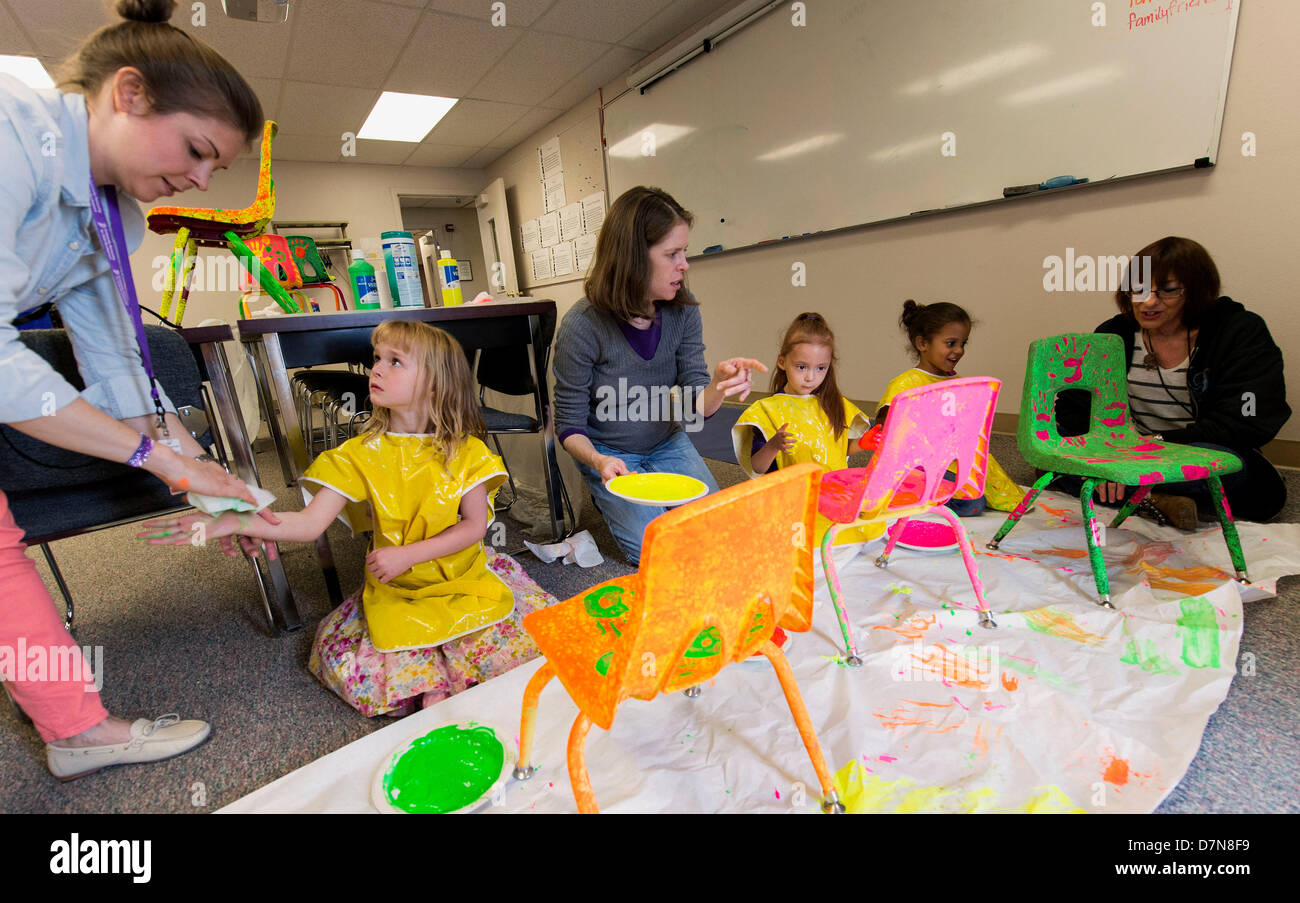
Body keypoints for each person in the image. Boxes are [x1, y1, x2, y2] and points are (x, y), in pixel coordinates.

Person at [0, 0, 273, 780]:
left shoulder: (109, 212)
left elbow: (121, 367)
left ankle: (75, 728)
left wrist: (209, 482)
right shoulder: (12, 131)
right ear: (129, 93)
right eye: (195, 149)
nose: (197, 177)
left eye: (213, 169)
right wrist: (162, 460)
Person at [145, 322, 553, 716]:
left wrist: (409, 553)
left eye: (395, 361)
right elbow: (308, 525)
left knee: (512, 640)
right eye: (377, 358)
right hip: (400, 588)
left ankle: (449, 684)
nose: (375, 368)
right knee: (360, 659)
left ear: (434, 382)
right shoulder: (357, 454)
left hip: (461, 579)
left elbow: (474, 527)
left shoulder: (466, 452)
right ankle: (437, 688)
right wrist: (235, 520)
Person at [551, 186, 766, 565]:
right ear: (633, 259)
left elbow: (692, 409)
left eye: (684, 252)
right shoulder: (581, 326)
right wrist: (599, 463)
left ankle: (645, 499)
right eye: (672, 254)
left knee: (719, 528)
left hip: (665, 441)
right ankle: (610, 500)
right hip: (608, 454)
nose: (685, 265)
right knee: (655, 551)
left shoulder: (682, 312)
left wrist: (716, 386)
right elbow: (568, 427)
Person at [1056, 236, 1290, 527]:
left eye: (1167, 291)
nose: (1148, 302)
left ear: (1195, 292)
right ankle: (1153, 499)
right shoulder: (1113, 333)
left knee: (1236, 473)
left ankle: (1132, 492)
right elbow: (1073, 405)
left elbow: (1245, 423)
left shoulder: (1239, 331)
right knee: (1051, 453)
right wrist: (1104, 453)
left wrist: (1146, 449)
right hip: (1122, 448)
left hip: (1191, 448)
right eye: (1138, 290)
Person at [731, 312, 879, 544]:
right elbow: (757, 467)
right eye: (801, 367)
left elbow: (839, 451)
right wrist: (773, 445)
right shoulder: (768, 410)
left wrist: (862, 443)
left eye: (821, 368)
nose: (810, 377)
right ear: (782, 362)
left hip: (832, 502)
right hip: (790, 505)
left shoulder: (834, 405)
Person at [875, 300, 1023, 514]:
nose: (959, 350)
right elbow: (883, 428)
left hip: (949, 461)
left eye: (963, 343)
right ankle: (907, 493)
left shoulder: (957, 382)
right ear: (923, 344)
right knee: (972, 504)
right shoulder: (907, 383)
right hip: (917, 466)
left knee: (984, 488)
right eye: (951, 343)